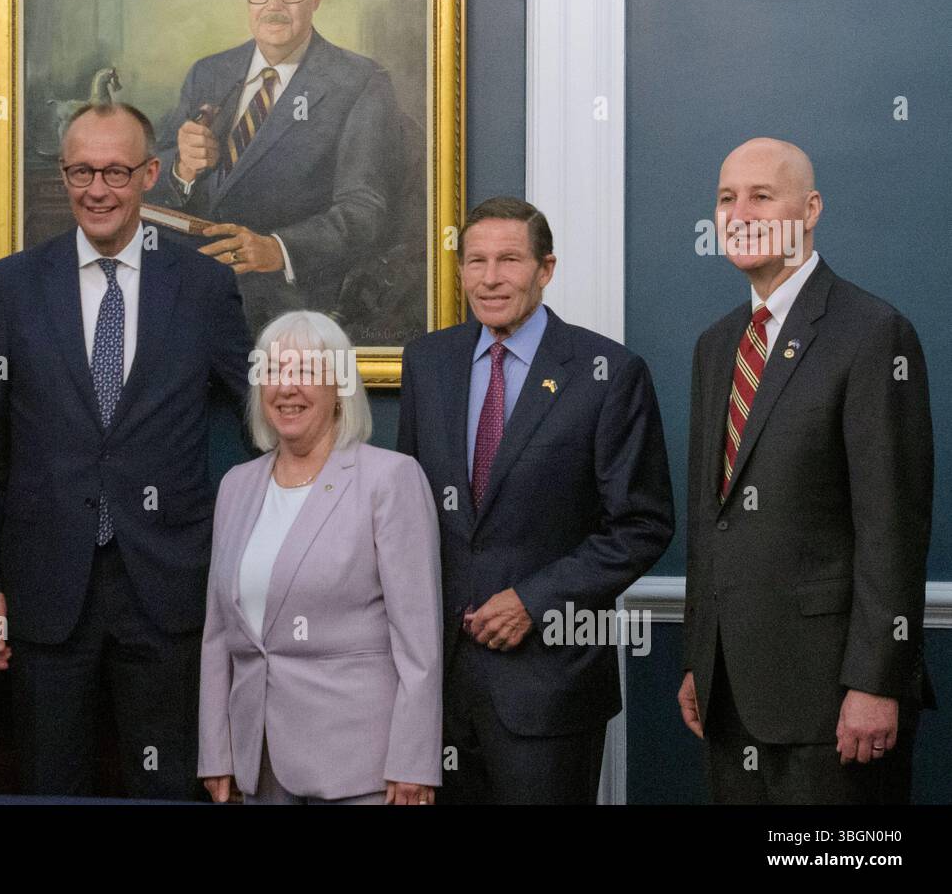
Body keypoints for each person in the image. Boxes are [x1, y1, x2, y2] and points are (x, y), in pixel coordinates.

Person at [0, 102, 252, 799]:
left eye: (116, 172)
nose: (97, 189)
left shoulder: (203, 286)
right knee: (50, 782)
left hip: (166, 584)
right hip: (45, 587)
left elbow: (262, 413)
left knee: (164, 785)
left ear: (150, 174)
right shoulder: (10, 287)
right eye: (81, 171)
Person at [679, 137, 936, 804]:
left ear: (811, 207)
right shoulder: (716, 345)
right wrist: (699, 661)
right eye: (727, 198)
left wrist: (877, 682)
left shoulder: (874, 332)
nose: (740, 212)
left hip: (833, 700)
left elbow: (892, 524)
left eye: (762, 195)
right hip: (729, 694)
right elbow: (713, 522)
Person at [397, 196, 674, 803]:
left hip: (549, 688)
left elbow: (642, 525)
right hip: (436, 690)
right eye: (475, 261)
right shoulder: (428, 362)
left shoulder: (609, 372)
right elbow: (409, 514)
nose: (490, 278)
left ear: (545, 269)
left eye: (509, 260)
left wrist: (533, 600)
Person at [199, 311, 442, 804]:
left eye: (307, 372)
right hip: (258, 766)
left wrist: (413, 761)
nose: (288, 388)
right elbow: (218, 635)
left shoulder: (389, 479)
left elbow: (419, 641)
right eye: (274, 371)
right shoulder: (237, 487)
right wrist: (216, 751)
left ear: (341, 390)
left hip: (363, 768)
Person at [149, 0, 405, 332]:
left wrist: (278, 248)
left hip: (291, 313)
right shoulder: (209, 72)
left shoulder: (360, 82)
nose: (274, 5)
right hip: (187, 304)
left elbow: (365, 212)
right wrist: (181, 167)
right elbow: (149, 181)